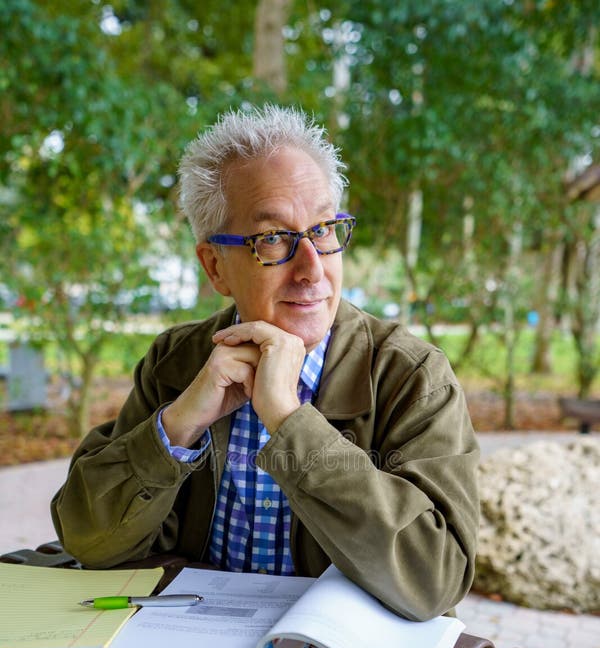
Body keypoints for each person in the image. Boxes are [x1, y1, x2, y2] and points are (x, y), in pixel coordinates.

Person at [51, 105, 479, 621]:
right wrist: (177, 427)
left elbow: (436, 581)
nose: (312, 269)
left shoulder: (411, 376)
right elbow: (89, 540)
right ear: (215, 266)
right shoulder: (177, 362)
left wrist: (290, 422)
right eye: (273, 238)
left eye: (324, 229)